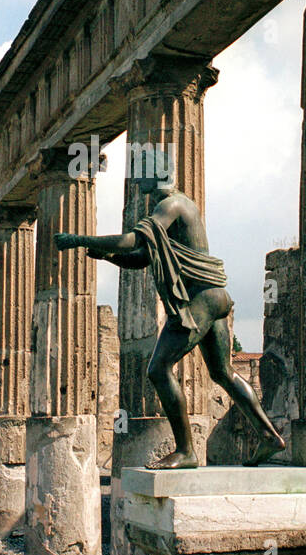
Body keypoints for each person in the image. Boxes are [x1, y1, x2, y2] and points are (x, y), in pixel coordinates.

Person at [55, 171, 286, 469]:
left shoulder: (171, 205)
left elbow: (133, 240)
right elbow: (142, 257)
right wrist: (106, 256)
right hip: (214, 294)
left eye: (144, 185)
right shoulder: (183, 208)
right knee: (223, 373)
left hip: (199, 300)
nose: (143, 192)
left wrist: (77, 239)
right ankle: (269, 436)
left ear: (154, 182)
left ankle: (186, 451)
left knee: (159, 369)